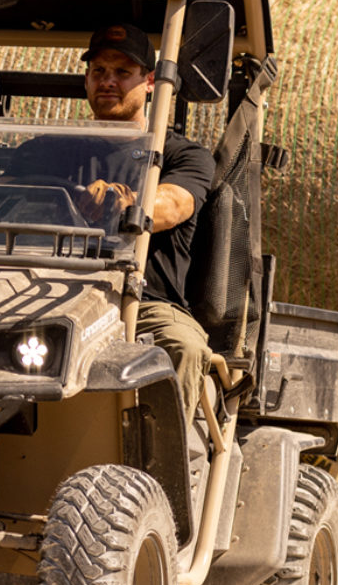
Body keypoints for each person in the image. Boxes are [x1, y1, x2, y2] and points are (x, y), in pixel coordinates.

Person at [46, 22, 216, 427]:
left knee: (185, 347)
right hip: (52, 290)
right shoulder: (49, 148)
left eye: (122, 73)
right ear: (86, 79)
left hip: (144, 303)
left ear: (151, 81)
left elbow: (173, 204)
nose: (108, 81)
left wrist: (126, 205)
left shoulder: (181, 155)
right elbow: (8, 196)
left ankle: (164, 479)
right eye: (99, 71)